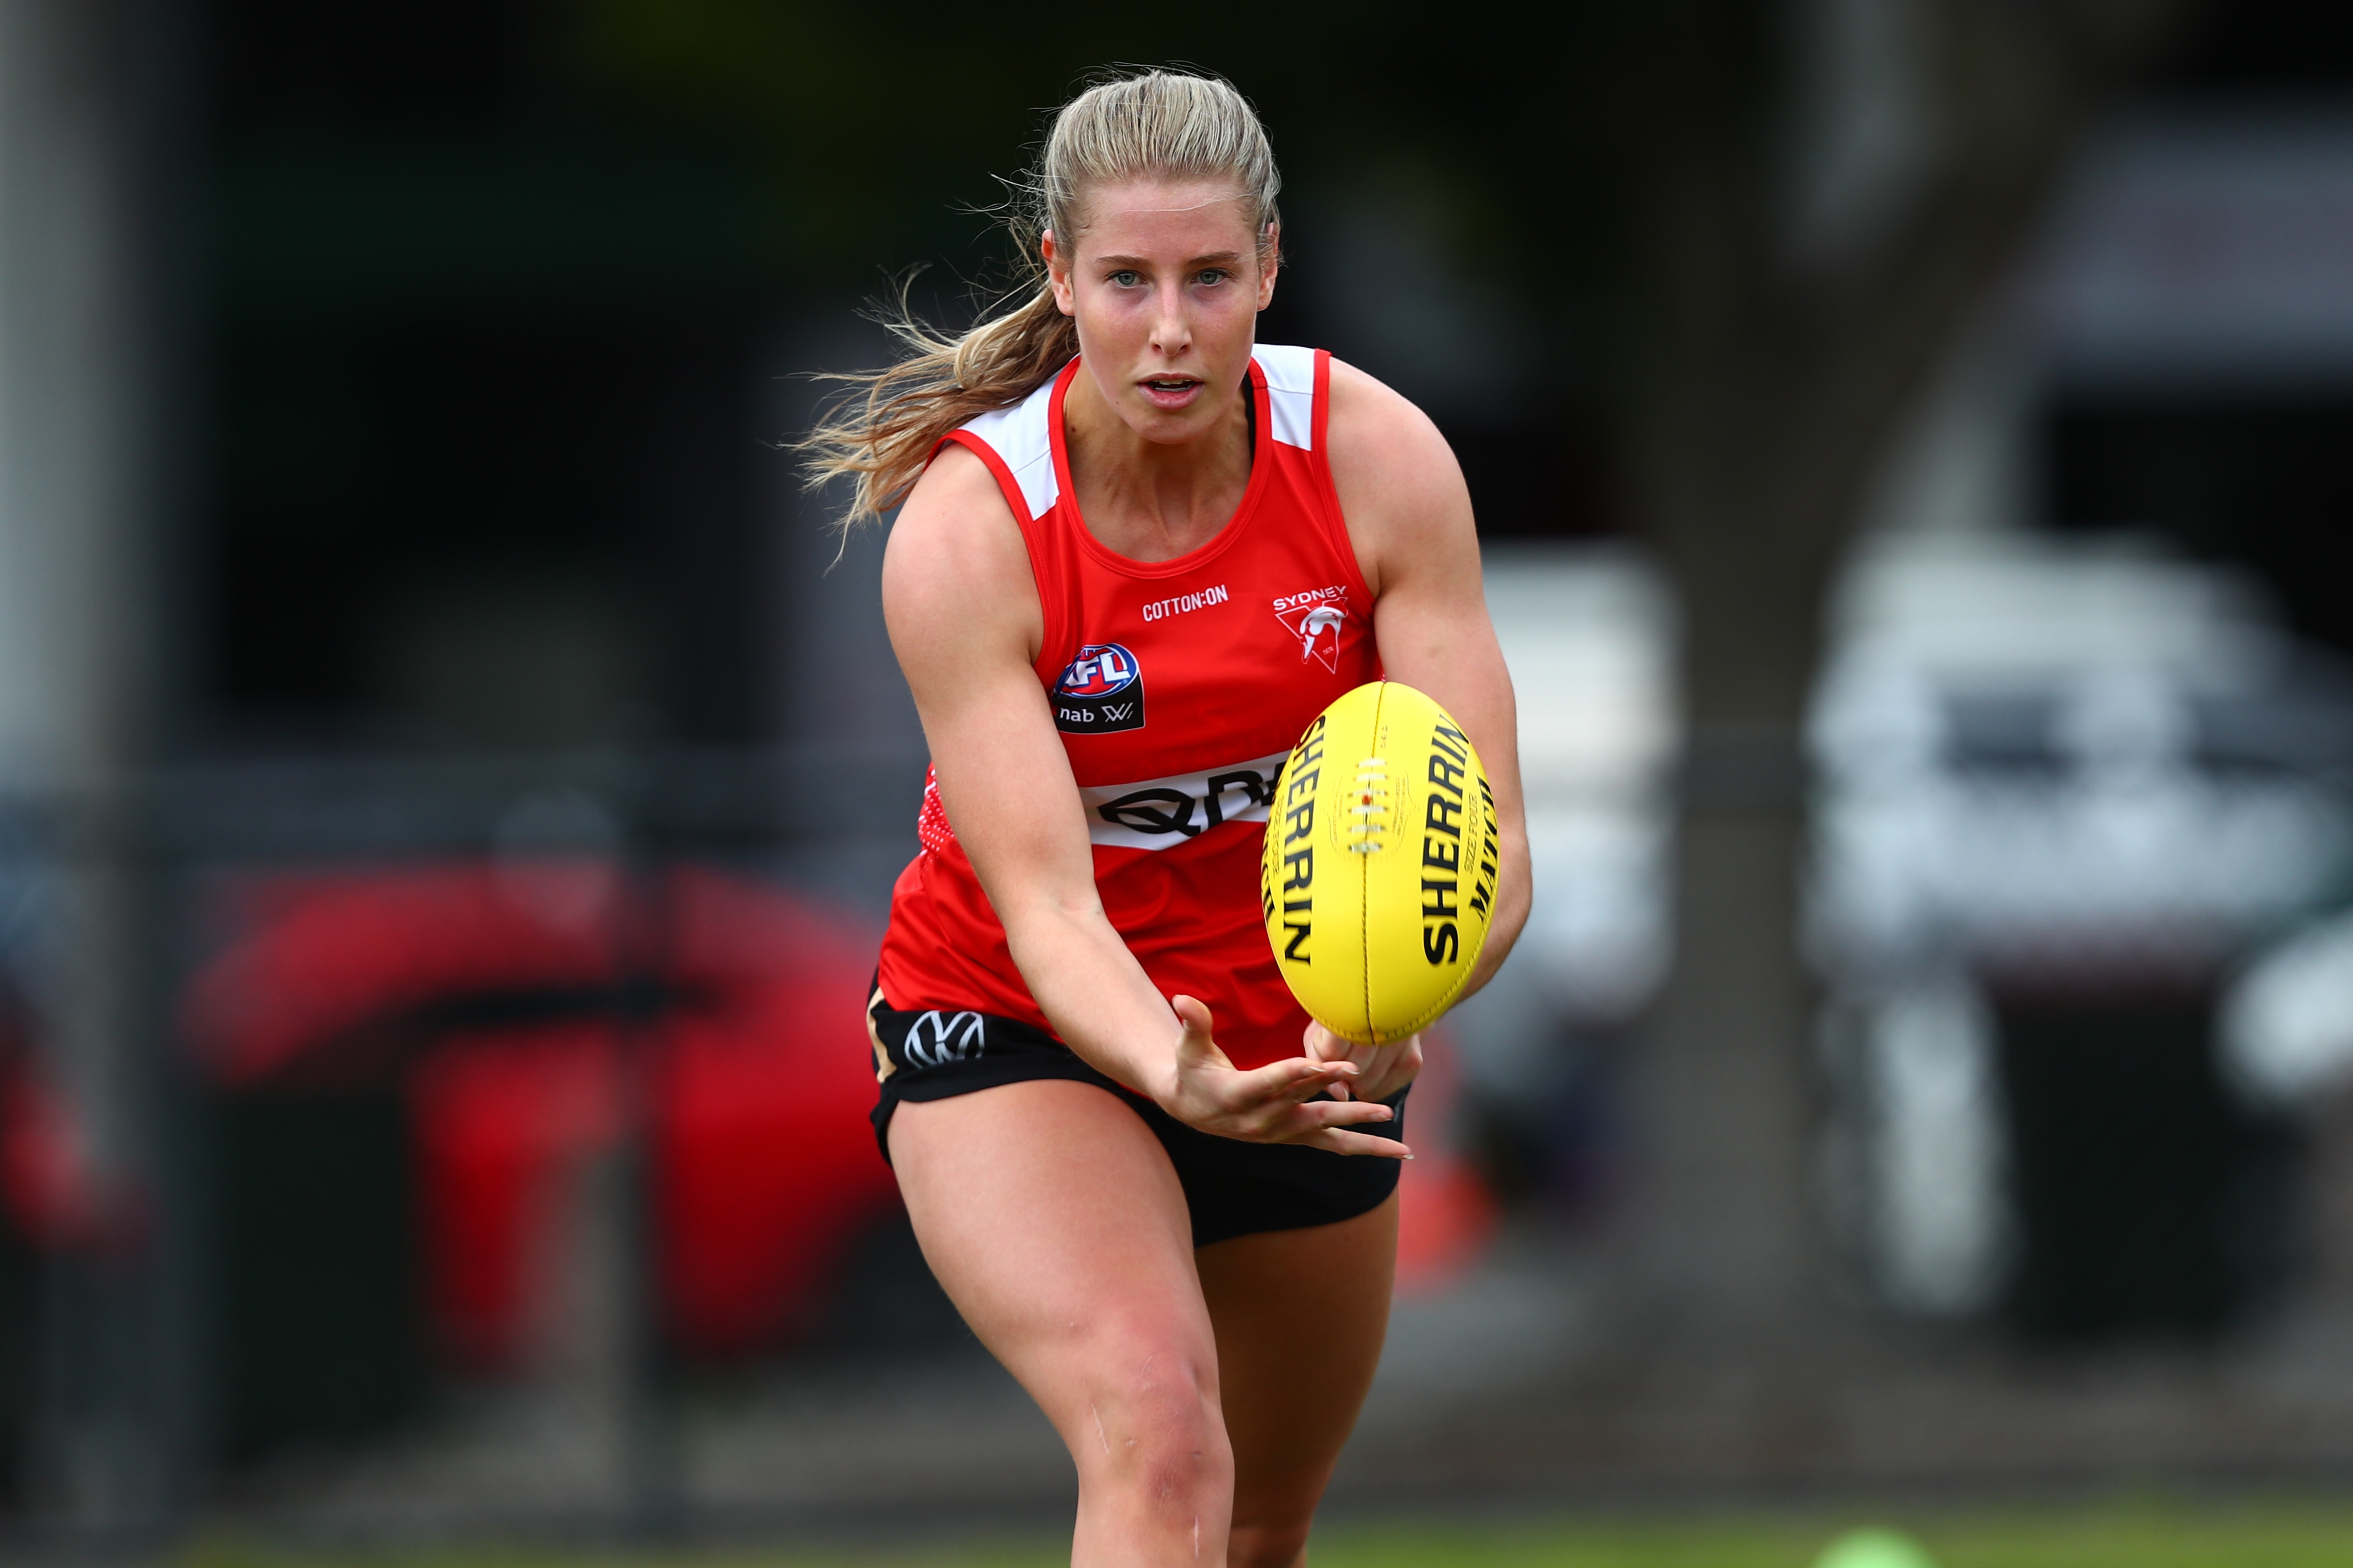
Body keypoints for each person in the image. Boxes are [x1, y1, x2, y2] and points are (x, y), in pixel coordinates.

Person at [804, 68, 1530, 1568]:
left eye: (1209, 277)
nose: (1172, 328)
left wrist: (1397, 1011)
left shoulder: (1376, 460)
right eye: (1127, 279)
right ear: (1060, 275)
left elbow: (1493, 846)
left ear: (1269, 264)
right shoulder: (973, 532)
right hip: (1024, 1030)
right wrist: (1169, 1070)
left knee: (1258, 1523)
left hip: (1304, 1045)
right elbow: (1048, 911)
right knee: (1160, 1437)